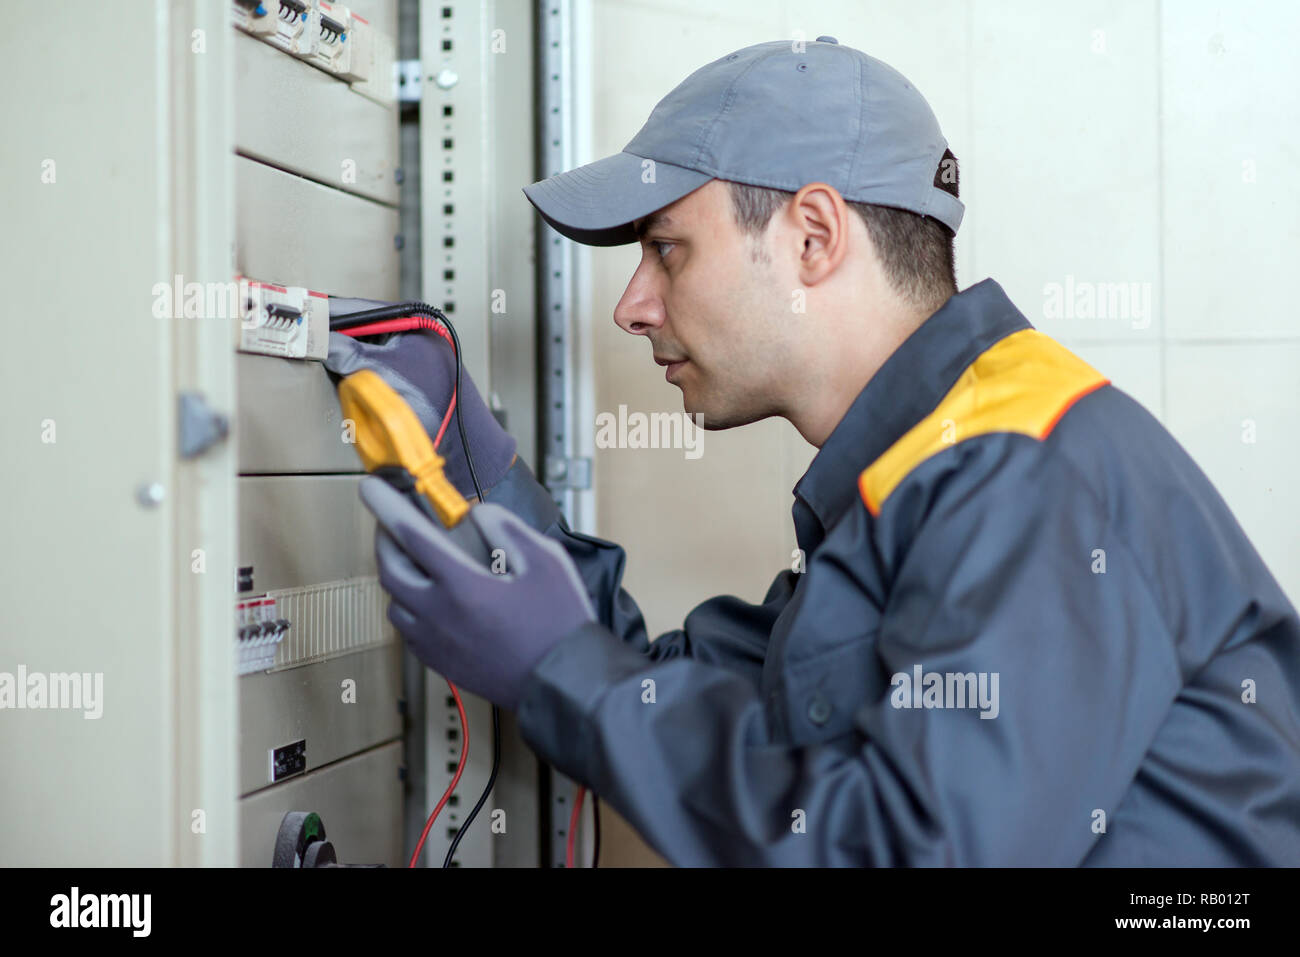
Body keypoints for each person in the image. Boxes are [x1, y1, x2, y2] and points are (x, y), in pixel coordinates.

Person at [326, 38, 1300, 865]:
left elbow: (913, 851)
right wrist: (480, 477)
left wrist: (560, 668)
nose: (632, 305)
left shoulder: (1023, 471)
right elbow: (676, 684)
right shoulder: (920, 476)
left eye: (666, 248)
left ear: (813, 237)